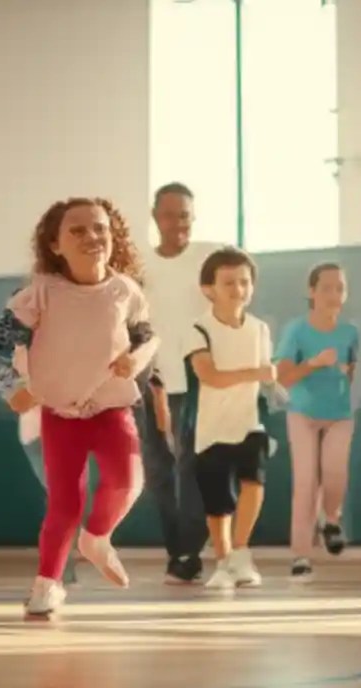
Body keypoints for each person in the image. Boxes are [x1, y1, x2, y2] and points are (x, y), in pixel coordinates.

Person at [0, 197, 156, 618]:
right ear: (55, 245)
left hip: (112, 408)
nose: (93, 237)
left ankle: (96, 538)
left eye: (101, 228)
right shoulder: (40, 293)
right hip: (61, 415)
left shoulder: (126, 292)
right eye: (77, 230)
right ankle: (46, 584)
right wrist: (10, 387)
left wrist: (137, 359)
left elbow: (148, 338)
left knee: (127, 482)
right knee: (64, 504)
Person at [141, 182, 228, 584]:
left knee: (188, 469)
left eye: (185, 215)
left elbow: (234, 300)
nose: (178, 223)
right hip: (149, 380)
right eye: (171, 214)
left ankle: (189, 553)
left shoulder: (211, 256)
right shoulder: (140, 263)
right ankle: (177, 550)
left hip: (194, 380)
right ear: (156, 216)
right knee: (158, 471)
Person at [184, 247, 277, 590]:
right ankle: (222, 563)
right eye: (229, 283)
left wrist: (270, 379)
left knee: (254, 483)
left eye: (244, 282)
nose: (239, 289)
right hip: (212, 431)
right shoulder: (198, 329)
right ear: (208, 288)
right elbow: (210, 375)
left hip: (250, 423)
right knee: (219, 503)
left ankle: (241, 554)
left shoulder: (260, 329)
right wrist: (257, 372)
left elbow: (267, 377)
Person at [274, 263, 359, 580]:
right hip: (303, 413)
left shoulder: (351, 332)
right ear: (311, 292)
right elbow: (282, 377)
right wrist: (313, 363)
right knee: (306, 481)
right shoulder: (296, 330)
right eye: (326, 287)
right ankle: (301, 555)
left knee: (335, 474)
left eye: (340, 288)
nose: (334, 294)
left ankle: (332, 520)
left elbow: (352, 367)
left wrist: (344, 375)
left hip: (339, 414)